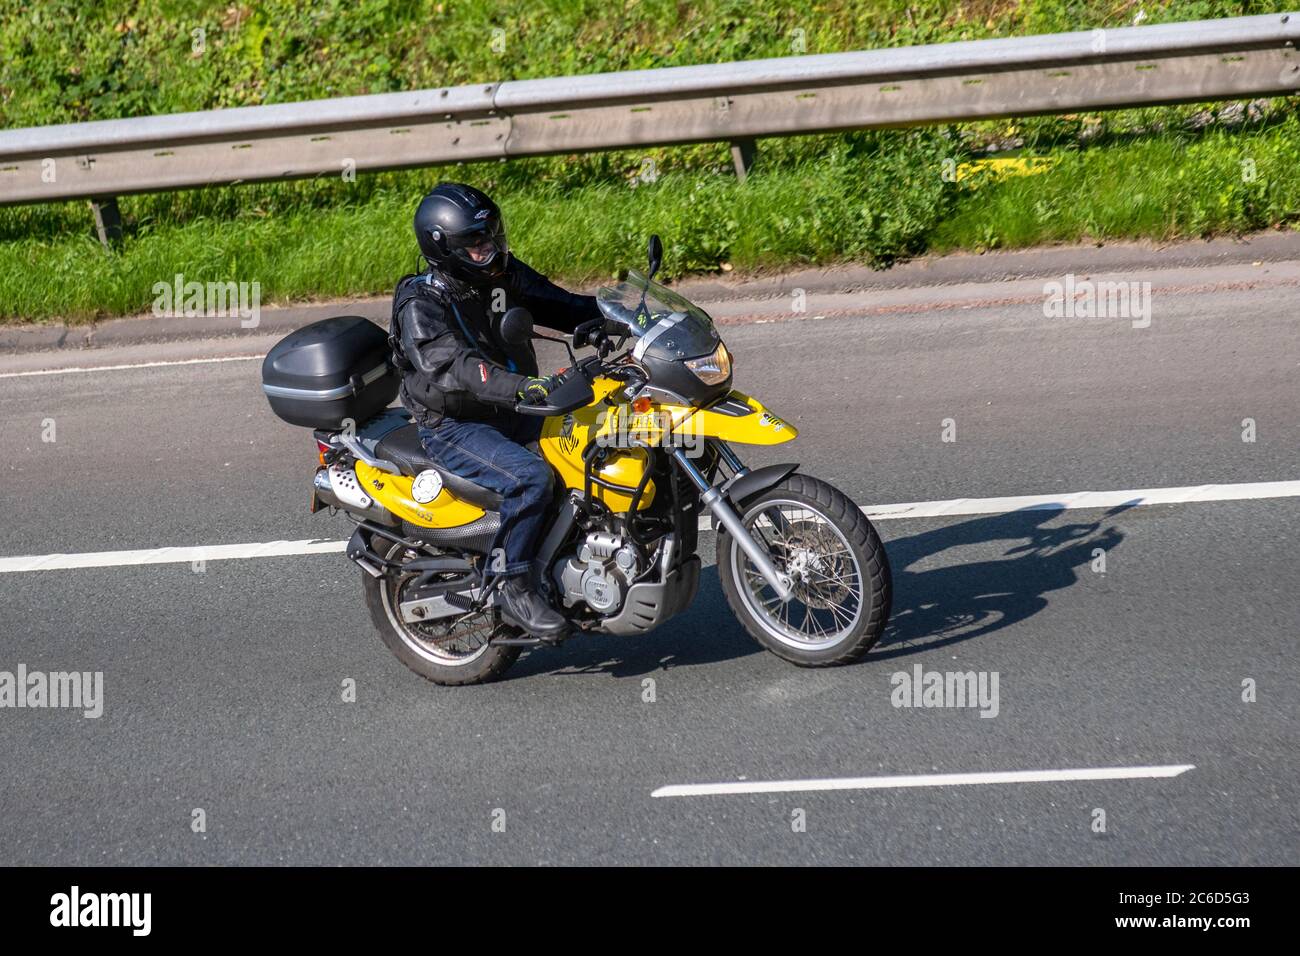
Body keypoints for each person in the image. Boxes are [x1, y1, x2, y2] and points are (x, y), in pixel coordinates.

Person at [389, 182, 601, 640]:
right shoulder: (421, 304)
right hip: (456, 423)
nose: (488, 247)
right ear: (444, 247)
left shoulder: (499, 275)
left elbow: (560, 303)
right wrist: (525, 387)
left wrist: (621, 317)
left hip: (516, 403)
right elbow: (458, 368)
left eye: (491, 236)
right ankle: (514, 583)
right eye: (475, 242)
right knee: (531, 478)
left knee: (598, 441)